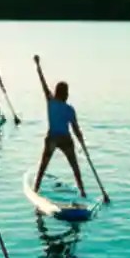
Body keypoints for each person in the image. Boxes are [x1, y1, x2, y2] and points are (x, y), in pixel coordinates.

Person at [32, 55, 87, 198]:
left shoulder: (50, 101)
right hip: (66, 139)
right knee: (75, 167)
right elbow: (75, 129)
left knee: (43, 165)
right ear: (66, 94)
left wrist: (38, 66)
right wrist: (81, 141)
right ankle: (82, 190)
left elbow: (43, 83)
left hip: (53, 138)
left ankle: (36, 188)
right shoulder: (70, 109)